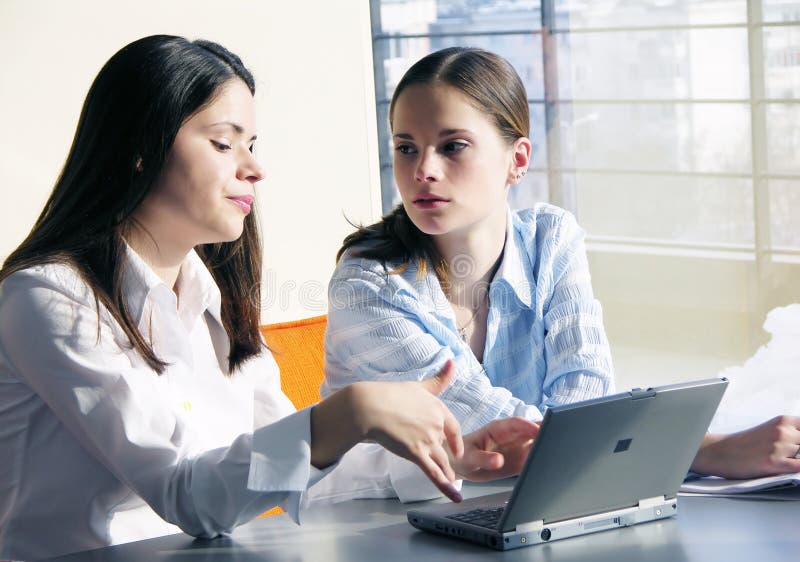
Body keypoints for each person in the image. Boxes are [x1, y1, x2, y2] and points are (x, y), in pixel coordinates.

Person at [0, 36, 539, 561]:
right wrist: (350, 412)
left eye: (251, 145)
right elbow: (188, 495)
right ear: (141, 149)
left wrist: (447, 457)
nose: (254, 168)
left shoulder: (212, 299)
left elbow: (284, 472)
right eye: (223, 143)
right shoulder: (48, 299)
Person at [323, 47, 800, 480]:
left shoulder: (551, 239)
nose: (423, 169)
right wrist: (708, 450)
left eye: (452, 146)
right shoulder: (367, 285)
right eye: (406, 147)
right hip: (379, 531)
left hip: (522, 508)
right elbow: (505, 438)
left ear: (518, 159)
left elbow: (585, 406)